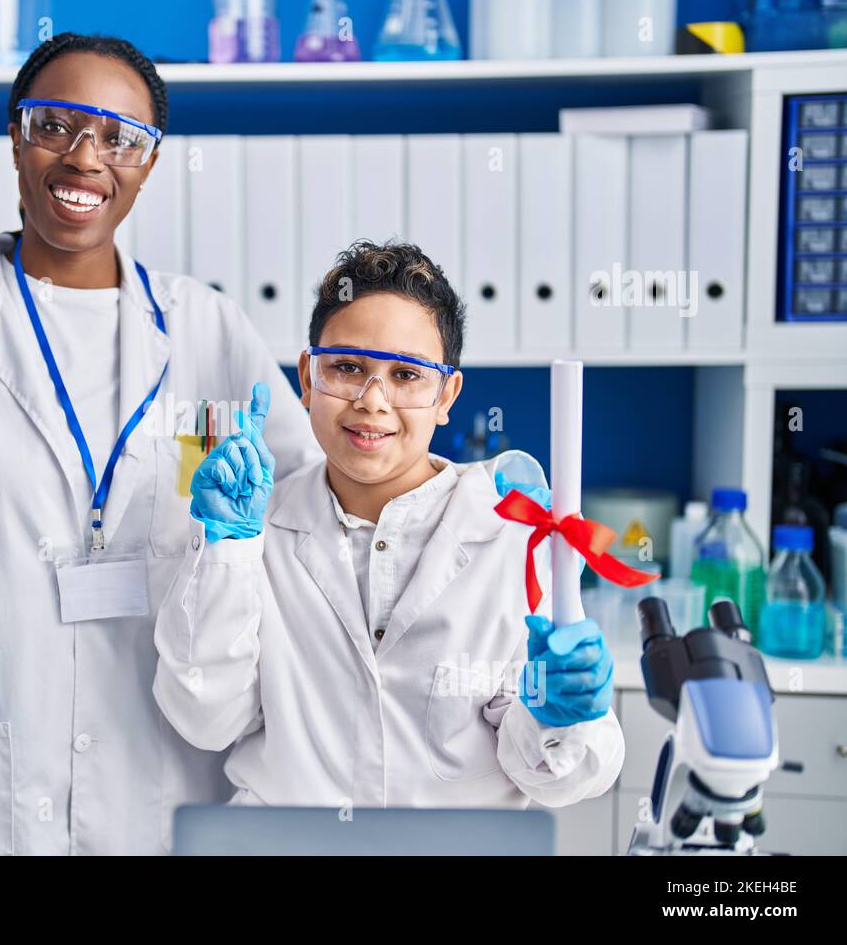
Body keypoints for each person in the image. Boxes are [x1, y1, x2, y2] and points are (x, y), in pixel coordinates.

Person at [0, 33, 318, 854]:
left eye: (120, 138)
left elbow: (307, 522)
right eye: (56, 125)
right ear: (15, 136)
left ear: (149, 163)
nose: (86, 158)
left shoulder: (207, 329)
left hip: (161, 767)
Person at [153, 240, 624, 808]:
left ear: (447, 394)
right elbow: (206, 719)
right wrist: (225, 552)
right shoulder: (256, 531)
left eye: (406, 374)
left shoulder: (510, 540)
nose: (372, 401)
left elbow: (560, 778)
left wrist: (560, 715)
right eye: (348, 368)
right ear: (307, 376)